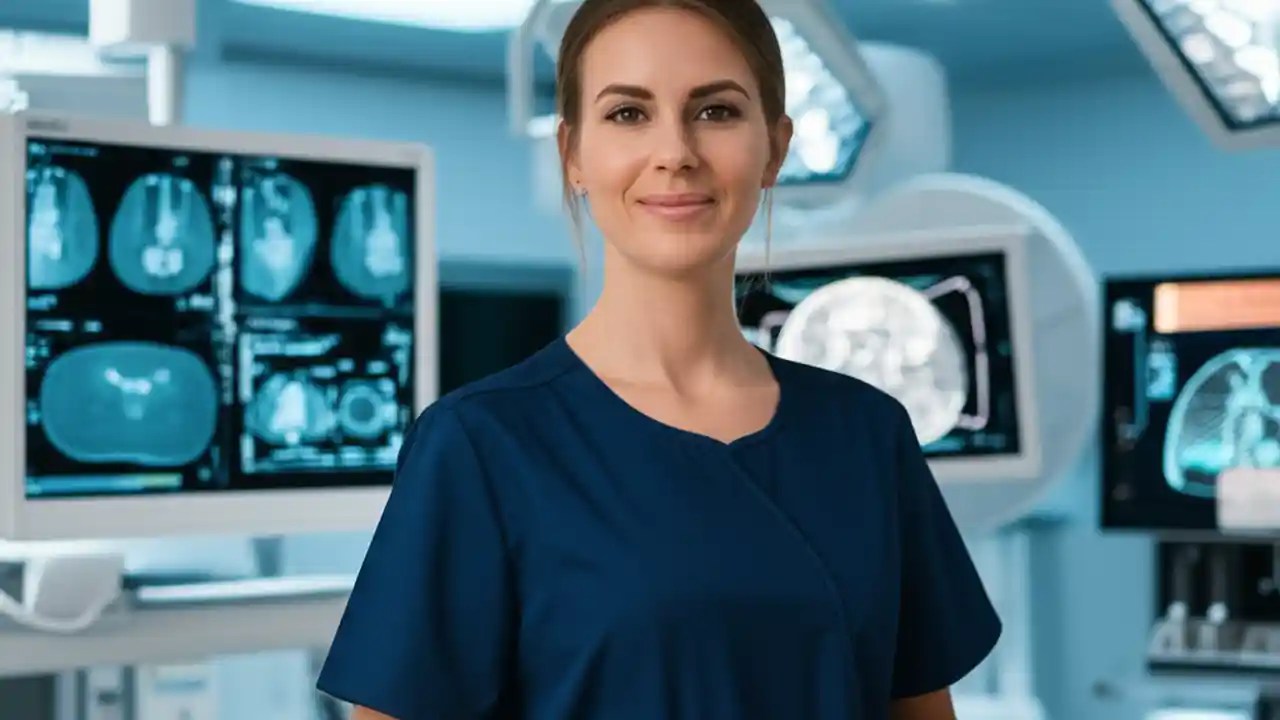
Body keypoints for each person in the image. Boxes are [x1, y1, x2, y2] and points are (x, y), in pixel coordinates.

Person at [316, 0, 1001, 718]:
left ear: (775, 145)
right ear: (572, 155)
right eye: (628, 114)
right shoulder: (482, 447)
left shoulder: (866, 435)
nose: (675, 151)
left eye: (715, 111)